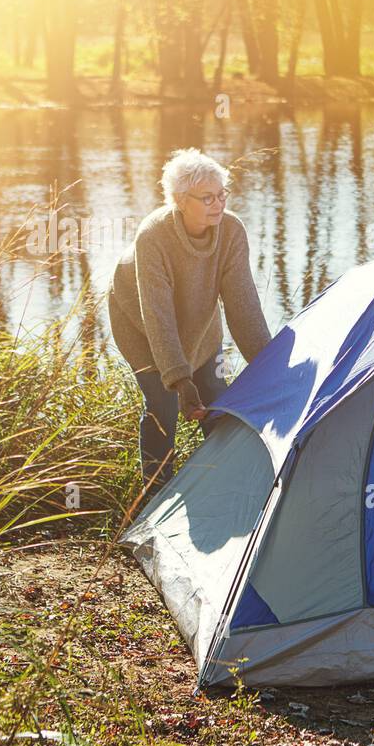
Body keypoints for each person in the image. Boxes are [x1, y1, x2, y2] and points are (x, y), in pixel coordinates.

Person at [108, 148, 272, 498]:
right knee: (162, 404)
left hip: (200, 324)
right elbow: (158, 315)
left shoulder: (230, 231)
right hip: (140, 323)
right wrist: (180, 380)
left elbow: (243, 306)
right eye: (208, 197)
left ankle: (224, 485)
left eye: (222, 194)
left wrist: (271, 366)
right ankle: (156, 496)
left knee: (216, 397)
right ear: (181, 200)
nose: (218, 204)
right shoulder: (153, 235)